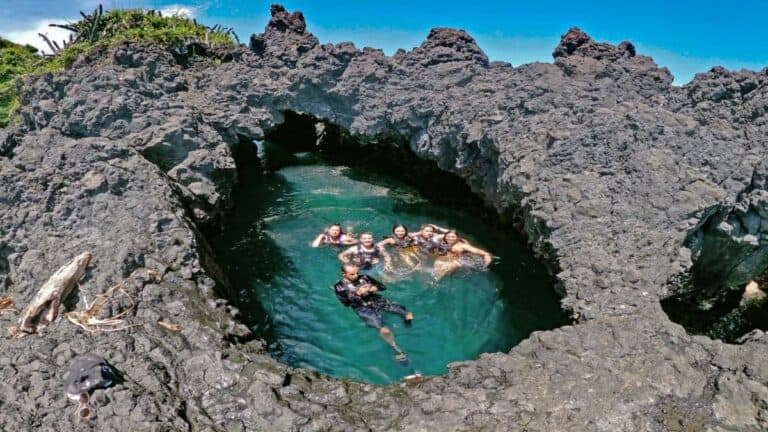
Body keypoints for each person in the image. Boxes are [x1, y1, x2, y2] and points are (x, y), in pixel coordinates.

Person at [333, 263, 413, 362]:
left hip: (377, 300)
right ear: (344, 274)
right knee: (384, 330)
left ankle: (408, 329)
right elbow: (346, 303)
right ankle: (398, 351)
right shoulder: (339, 287)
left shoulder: (365, 277)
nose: (356, 276)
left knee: (407, 314)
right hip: (363, 308)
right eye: (352, 274)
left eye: (357, 273)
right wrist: (357, 294)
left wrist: (376, 288)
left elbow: (383, 287)